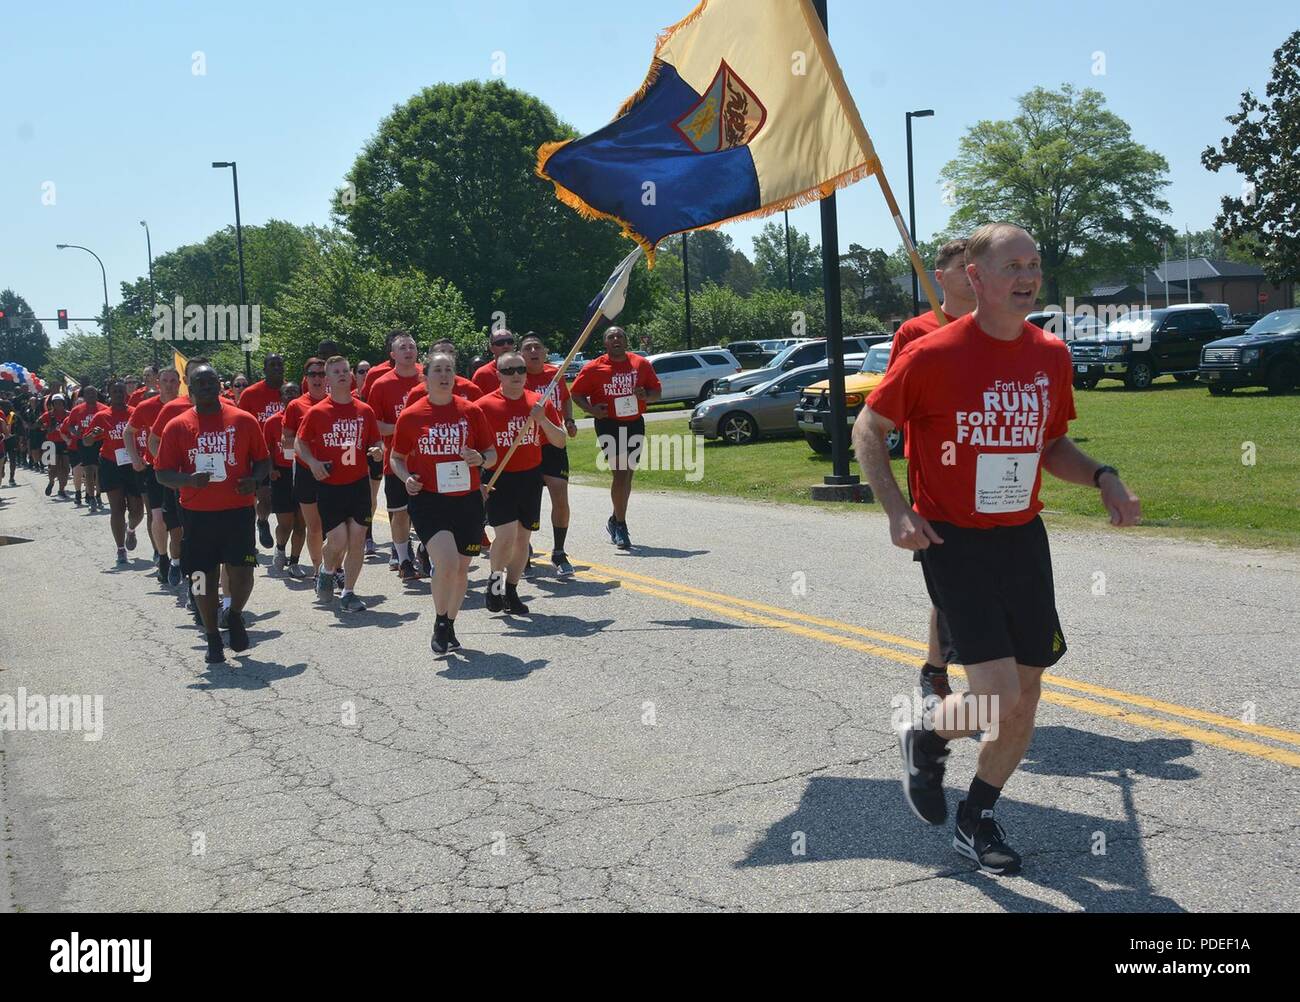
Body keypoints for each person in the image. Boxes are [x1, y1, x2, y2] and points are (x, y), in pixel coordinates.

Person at [852, 223, 1141, 876]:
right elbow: (869, 425)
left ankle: (975, 811)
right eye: (1012, 264)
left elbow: (1051, 445)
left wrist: (1102, 476)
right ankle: (928, 737)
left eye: (1034, 263)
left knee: (1028, 693)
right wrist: (896, 511)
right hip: (953, 540)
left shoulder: (1049, 355)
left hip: (1022, 538)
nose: (1027, 275)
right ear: (975, 278)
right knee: (995, 695)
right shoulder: (933, 353)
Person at [885, 239, 977, 708]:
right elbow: (894, 408)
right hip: (938, 480)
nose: (971, 274)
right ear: (938, 276)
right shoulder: (914, 332)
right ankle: (939, 670)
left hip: (994, 482)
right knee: (951, 588)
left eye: (977, 266)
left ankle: (963, 672)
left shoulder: (999, 327)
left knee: (988, 583)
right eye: (962, 267)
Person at [154, 363, 270, 664]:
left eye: (210, 381)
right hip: (197, 514)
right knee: (201, 578)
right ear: (190, 390)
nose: (206, 386)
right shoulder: (177, 426)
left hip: (237, 512)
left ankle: (233, 615)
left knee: (242, 572)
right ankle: (212, 637)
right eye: (199, 383)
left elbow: (263, 461)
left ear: (219, 386)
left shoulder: (243, 420)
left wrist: (254, 480)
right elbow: (162, 473)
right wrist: (189, 480)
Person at [391, 349, 497, 654]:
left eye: (449, 370)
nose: (444, 376)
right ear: (426, 378)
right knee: (447, 563)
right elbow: (397, 458)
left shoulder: (471, 411)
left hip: (467, 500)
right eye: (437, 370)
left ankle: (450, 622)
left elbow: (491, 454)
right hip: (429, 500)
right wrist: (406, 478)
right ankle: (439, 621)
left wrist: (480, 459)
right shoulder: (412, 415)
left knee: (462, 570)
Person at [476, 351, 567, 615]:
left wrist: (542, 420)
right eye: (508, 371)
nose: (516, 375)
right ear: (498, 375)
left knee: (523, 539)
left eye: (520, 369)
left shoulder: (538, 402)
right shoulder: (484, 406)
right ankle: (495, 581)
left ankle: (512, 590)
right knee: (505, 536)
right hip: (498, 478)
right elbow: (474, 446)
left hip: (529, 477)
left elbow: (560, 441)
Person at [295, 356, 382, 612]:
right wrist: (312, 462)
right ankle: (326, 569)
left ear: (351, 376)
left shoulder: (364, 411)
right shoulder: (318, 411)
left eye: (346, 370)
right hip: (330, 486)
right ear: (328, 378)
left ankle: (349, 592)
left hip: (357, 484)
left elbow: (376, 442)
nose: (342, 374)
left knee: (356, 539)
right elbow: (300, 443)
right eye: (336, 372)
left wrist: (377, 451)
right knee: (338, 540)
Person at [570, 326, 662, 549]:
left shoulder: (640, 364)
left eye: (620, 336)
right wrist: (592, 410)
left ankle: (614, 518)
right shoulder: (594, 367)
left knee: (628, 476)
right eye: (611, 337)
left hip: (634, 422)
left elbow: (656, 393)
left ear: (626, 341)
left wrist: (645, 396)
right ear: (606, 343)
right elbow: (576, 393)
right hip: (608, 423)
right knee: (620, 475)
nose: (616, 339)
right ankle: (620, 524)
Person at [367, 332, 425, 580]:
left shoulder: (428, 377)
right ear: (393, 354)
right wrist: (403, 427)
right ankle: (403, 560)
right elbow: (374, 424)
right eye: (402, 347)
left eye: (412, 346)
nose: (408, 350)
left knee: (425, 511)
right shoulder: (381, 384)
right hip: (397, 459)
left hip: (427, 458)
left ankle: (426, 553)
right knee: (400, 512)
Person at [521, 333, 579, 576]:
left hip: (553, 443)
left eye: (537, 347)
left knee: (560, 494)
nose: (533, 351)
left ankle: (559, 551)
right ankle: (522, 548)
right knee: (526, 501)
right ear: (521, 354)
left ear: (545, 352)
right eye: (528, 348)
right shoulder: (517, 377)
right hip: (526, 445)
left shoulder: (556, 374)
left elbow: (565, 398)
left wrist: (569, 419)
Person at [128, 366, 184, 583]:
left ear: (179, 383)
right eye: (165, 381)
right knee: (158, 517)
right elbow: (128, 432)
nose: (169, 384)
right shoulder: (145, 406)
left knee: (182, 522)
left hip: (183, 472)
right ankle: (162, 557)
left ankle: (180, 560)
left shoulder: (186, 405)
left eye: (173, 380)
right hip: (155, 470)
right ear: (157, 384)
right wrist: (135, 458)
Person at [83, 380, 145, 565]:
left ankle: (131, 530)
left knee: (137, 509)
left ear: (126, 392)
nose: (118, 394)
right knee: (117, 508)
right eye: (114, 391)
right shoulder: (102, 416)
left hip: (133, 464)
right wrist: (92, 435)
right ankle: (120, 549)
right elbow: (86, 442)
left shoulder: (135, 413)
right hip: (111, 463)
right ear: (109, 394)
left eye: (121, 390)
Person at [237, 354, 287, 550]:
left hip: (285, 454)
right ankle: (262, 521)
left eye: (279, 365)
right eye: (272, 365)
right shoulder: (251, 394)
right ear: (265, 369)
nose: (276, 368)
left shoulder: (290, 390)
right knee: (264, 496)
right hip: (260, 454)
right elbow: (240, 425)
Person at [262, 383, 306, 574]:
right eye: (286, 392)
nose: (291, 395)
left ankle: (294, 562)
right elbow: (267, 450)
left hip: (303, 472)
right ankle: (280, 549)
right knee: (286, 523)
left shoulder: (307, 418)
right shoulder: (272, 422)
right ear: (281, 398)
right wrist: (271, 469)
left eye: (294, 392)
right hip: (282, 475)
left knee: (301, 522)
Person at [62, 385, 109, 510]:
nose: (91, 396)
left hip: (100, 442)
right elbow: (70, 425)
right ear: (83, 396)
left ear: (96, 395)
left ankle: (98, 495)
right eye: (88, 394)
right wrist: (74, 432)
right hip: (84, 443)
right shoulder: (77, 410)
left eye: (93, 393)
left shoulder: (104, 409)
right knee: (88, 471)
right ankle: (91, 498)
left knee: (98, 471)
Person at [38, 395, 70, 496]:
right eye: (56, 403)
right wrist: (46, 427)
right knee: (53, 467)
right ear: (52, 404)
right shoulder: (48, 415)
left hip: (65, 443)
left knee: (65, 467)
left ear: (63, 403)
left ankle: (61, 489)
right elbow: (38, 423)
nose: (58, 405)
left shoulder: (69, 414)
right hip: (51, 443)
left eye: (60, 402)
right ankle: (51, 482)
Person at [470, 330, 519, 395]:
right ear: (491, 348)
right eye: (500, 343)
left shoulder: (523, 370)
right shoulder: (482, 375)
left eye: (510, 342)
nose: (506, 346)